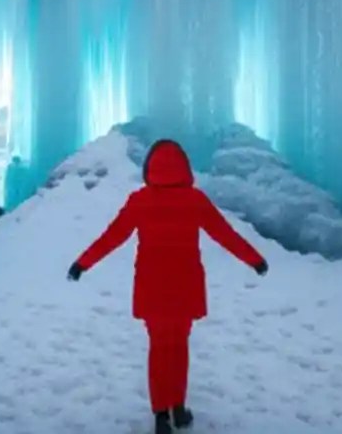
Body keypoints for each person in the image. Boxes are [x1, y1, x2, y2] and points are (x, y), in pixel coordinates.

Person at [67, 139, 268, 434]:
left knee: (158, 349)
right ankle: (178, 408)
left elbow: (112, 237)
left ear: (150, 169)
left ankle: (161, 414)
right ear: (184, 168)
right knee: (179, 347)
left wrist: (83, 263)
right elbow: (225, 235)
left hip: (151, 288)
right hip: (185, 287)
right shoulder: (195, 200)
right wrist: (255, 260)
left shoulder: (140, 201)